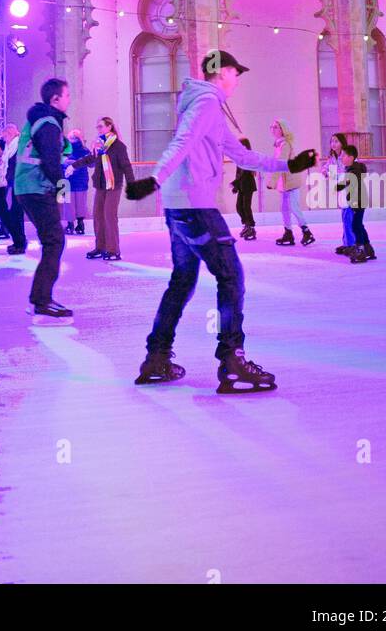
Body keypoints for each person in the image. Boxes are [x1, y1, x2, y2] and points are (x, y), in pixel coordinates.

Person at [127, 51, 316, 391]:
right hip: (194, 205)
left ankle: (157, 356)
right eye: (235, 73)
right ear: (223, 73)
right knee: (230, 276)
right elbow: (182, 141)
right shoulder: (206, 104)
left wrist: (290, 165)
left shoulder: (206, 105)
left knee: (183, 279)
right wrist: (154, 178)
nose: (237, 80)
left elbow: (241, 155)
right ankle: (231, 360)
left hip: (178, 204)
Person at [13, 78, 73, 318]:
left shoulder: (42, 120)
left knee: (53, 241)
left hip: (30, 186)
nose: (69, 100)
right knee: (54, 241)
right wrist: (62, 193)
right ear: (55, 99)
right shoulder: (48, 123)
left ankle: (41, 298)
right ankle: (40, 300)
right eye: (67, 96)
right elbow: (50, 161)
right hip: (35, 186)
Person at [74, 117, 135, 262]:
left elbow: (126, 166)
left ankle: (113, 250)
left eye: (101, 126)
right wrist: (73, 166)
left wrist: (132, 184)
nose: (98, 129)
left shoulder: (118, 146)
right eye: (97, 127)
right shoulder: (99, 146)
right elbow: (90, 159)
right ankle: (100, 247)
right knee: (98, 216)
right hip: (100, 185)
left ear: (109, 127)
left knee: (109, 216)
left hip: (114, 185)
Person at [268, 118, 316, 247]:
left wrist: (272, 181)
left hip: (291, 182)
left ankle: (307, 232)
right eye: (271, 127)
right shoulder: (278, 145)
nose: (273, 129)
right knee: (284, 209)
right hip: (283, 183)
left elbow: (280, 164)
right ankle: (288, 233)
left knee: (294, 207)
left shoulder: (285, 145)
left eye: (276, 127)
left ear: (283, 130)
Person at [336, 146, 375, 263]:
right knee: (359, 225)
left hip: (358, 201)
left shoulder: (354, 170)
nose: (341, 157)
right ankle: (368, 248)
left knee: (355, 226)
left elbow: (349, 181)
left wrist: (339, 185)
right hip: (357, 201)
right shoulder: (352, 168)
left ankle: (360, 249)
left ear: (351, 157)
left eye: (343, 155)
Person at [321, 131, 354, 255]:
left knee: (349, 218)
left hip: (351, 190)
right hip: (342, 191)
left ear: (342, 143)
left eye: (336, 141)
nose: (333, 144)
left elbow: (352, 170)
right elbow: (326, 166)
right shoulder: (333, 157)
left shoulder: (347, 155)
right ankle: (347, 243)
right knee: (345, 217)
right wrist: (325, 171)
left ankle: (351, 244)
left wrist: (334, 175)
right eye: (331, 141)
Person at [0, 124, 27, 256]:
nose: (3, 139)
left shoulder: (19, 146)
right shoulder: (10, 147)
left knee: (16, 212)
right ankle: (19, 242)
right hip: (15, 182)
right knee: (16, 212)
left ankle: (20, 243)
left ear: (10, 134)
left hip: (20, 184)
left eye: (4, 136)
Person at [64, 128, 90, 236]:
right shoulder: (85, 150)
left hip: (67, 179)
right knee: (80, 203)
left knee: (68, 203)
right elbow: (91, 163)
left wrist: (70, 163)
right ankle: (80, 224)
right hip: (80, 179)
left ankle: (70, 225)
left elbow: (60, 161)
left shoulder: (65, 149)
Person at [231, 138, 257, 240]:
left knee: (246, 206)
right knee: (239, 207)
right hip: (241, 186)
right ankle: (246, 224)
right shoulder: (239, 157)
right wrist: (236, 187)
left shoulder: (248, 157)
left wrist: (235, 183)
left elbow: (244, 173)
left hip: (248, 185)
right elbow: (238, 174)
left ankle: (251, 227)